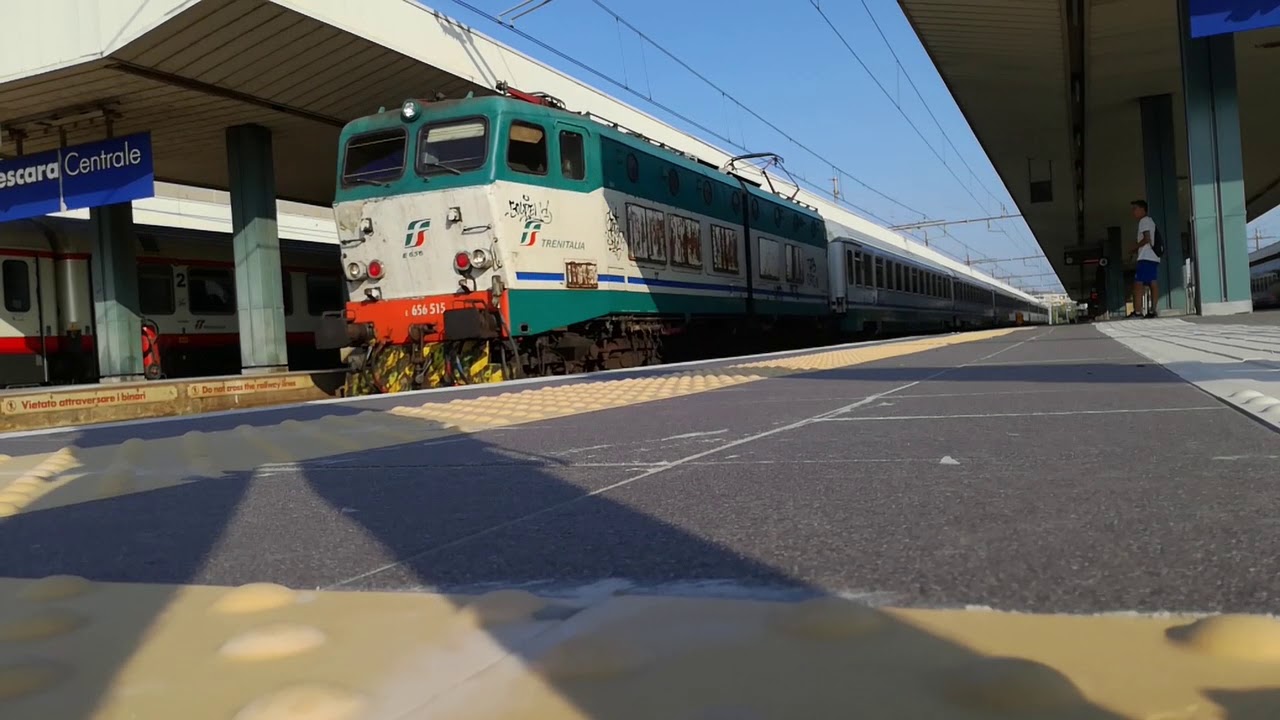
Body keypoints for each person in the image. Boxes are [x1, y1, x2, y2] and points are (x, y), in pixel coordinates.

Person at [1129, 199, 1159, 318]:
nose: (1133, 212)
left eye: (1135, 209)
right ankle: (1153, 310)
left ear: (1142, 209)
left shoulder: (1144, 221)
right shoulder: (1150, 221)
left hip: (1146, 257)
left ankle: (1138, 312)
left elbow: (1147, 238)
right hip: (1153, 257)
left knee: (1138, 284)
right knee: (1152, 282)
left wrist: (1134, 248)